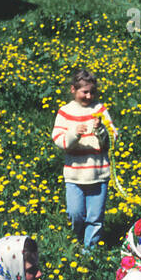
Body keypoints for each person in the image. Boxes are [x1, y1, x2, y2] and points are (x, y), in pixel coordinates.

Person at [51, 67, 117, 248]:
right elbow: (59, 140)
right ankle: (77, 238)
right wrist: (74, 134)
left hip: (98, 174)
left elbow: (113, 138)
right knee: (75, 213)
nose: (89, 96)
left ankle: (90, 250)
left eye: (92, 92)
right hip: (74, 175)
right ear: (73, 90)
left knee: (96, 217)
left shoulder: (100, 110)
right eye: (84, 92)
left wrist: (101, 130)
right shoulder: (65, 112)